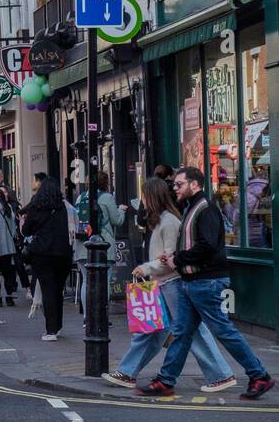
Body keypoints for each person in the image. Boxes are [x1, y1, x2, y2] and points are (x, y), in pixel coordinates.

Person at [139, 166, 274, 399]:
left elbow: (208, 246)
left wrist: (177, 258)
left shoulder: (206, 209)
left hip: (206, 282)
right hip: (193, 281)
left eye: (179, 184)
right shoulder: (192, 208)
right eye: (175, 185)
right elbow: (197, 245)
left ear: (194, 184)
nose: (175, 188)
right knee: (181, 332)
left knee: (223, 330)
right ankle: (165, 381)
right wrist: (174, 258)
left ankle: (259, 375)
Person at [102, 177, 235, 392]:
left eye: (145, 195)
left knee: (192, 331)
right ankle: (127, 373)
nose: (142, 199)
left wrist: (147, 268)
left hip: (172, 283)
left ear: (153, 196)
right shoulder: (160, 219)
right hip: (162, 284)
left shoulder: (170, 221)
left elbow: (171, 258)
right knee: (151, 330)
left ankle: (221, 374)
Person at [20, 175, 72, 341]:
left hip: (42, 254)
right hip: (63, 253)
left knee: (48, 290)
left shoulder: (36, 206)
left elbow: (26, 231)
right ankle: (58, 327)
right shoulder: (62, 207)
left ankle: (50, 330)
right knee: (58, 290)